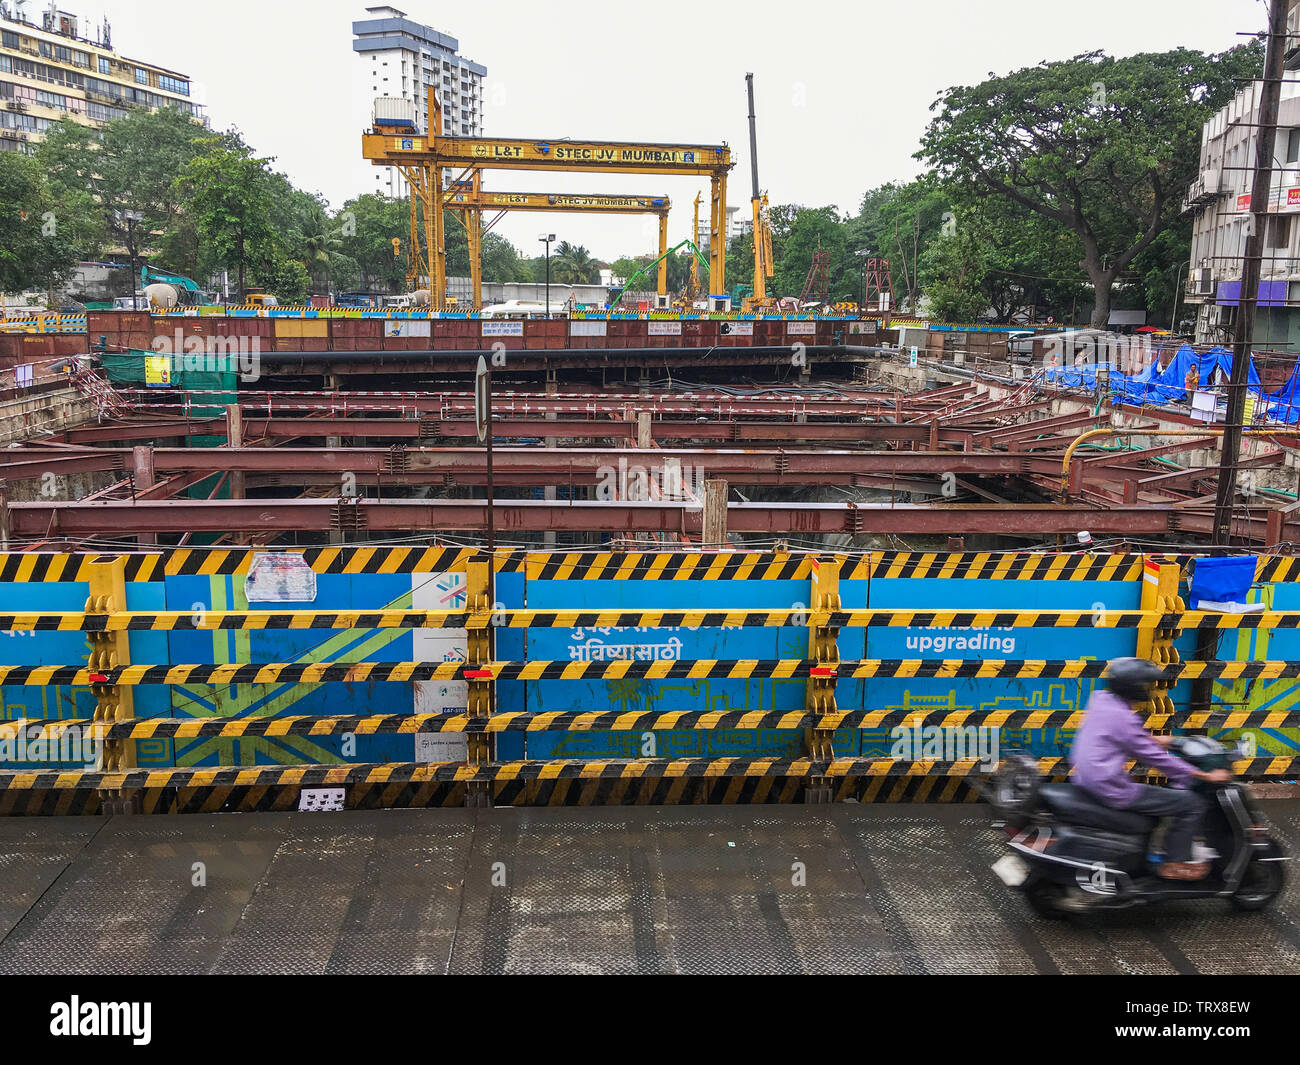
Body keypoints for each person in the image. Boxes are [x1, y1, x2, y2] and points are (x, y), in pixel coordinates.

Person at [1070, 658, 1230, 881]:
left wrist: (1153, 740)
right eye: (1145, 684)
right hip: (1112, 788)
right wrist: (1204, 774)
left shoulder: (1101, 700)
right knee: (1191, 804)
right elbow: (1157, 759)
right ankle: (1174, 862)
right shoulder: (1124, 719)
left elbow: (1118, 737)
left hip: (1087, 779)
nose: (1148, 689)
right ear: (1133, 686)